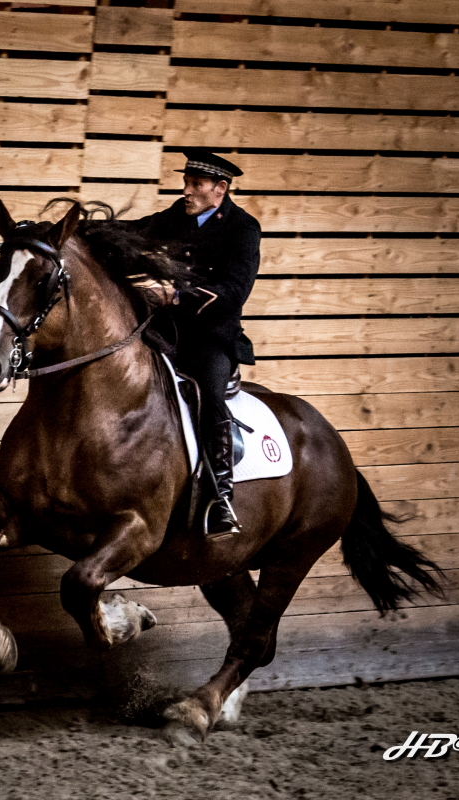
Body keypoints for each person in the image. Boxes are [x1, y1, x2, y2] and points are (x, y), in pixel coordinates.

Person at [131, 149, 262, 538]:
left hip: (209, 338)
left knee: (209, 394)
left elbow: (233, 292)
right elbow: (132, 229)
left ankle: (220, 495)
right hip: (163, 332)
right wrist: (68, 230)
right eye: (185, 182)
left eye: (195, 184)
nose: (186, 191)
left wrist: (174, 295)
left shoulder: (243, 228)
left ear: (220, 189)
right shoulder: (175, 215)